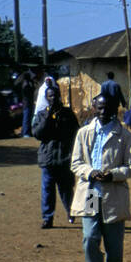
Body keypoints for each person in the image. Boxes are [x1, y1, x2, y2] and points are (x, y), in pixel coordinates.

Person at [71, 93, 131, 262]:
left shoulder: (124, 136)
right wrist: (90, 172)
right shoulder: (84, 133)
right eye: (99, 108)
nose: (103, 112)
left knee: (114, 246)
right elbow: (76, 162)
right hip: (91, 192)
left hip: (114, 194)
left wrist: (113, 174)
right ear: (93, 108)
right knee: (90, 238)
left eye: (107, 108)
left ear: (115, 109)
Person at [32, 87, 79, 228]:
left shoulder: (68, 114)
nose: (53, 98)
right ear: (47, 98)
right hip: (48, 159)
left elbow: (76, 133)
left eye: (55, 96)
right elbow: (38, 133)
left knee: (66, 189)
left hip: (65, 158)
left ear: (59, 96)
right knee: (47, 191)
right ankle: (48, 218)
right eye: (50, 96)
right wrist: (48, 115)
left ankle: (71, 212)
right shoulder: (41, 115)